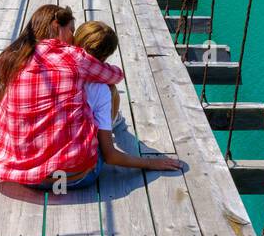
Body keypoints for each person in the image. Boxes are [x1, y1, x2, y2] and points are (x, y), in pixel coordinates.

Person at [0, 4, 121, 191]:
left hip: (25, 176)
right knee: (106, 90)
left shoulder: (19, 56)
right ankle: (108, 124)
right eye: (70, 30)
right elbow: (115, 76)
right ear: (56, 26)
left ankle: (2, 78)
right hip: (74, 177)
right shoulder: (76, 57)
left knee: (13, 96)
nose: (72, 36)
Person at [71, 21, 184, 178]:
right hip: (80, 177)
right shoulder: (101, 89)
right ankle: (109, 122)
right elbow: (110, 156)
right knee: (110, 90)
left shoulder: (50, 68)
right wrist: (151, 163)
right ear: (104, 56)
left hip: (34, 174)